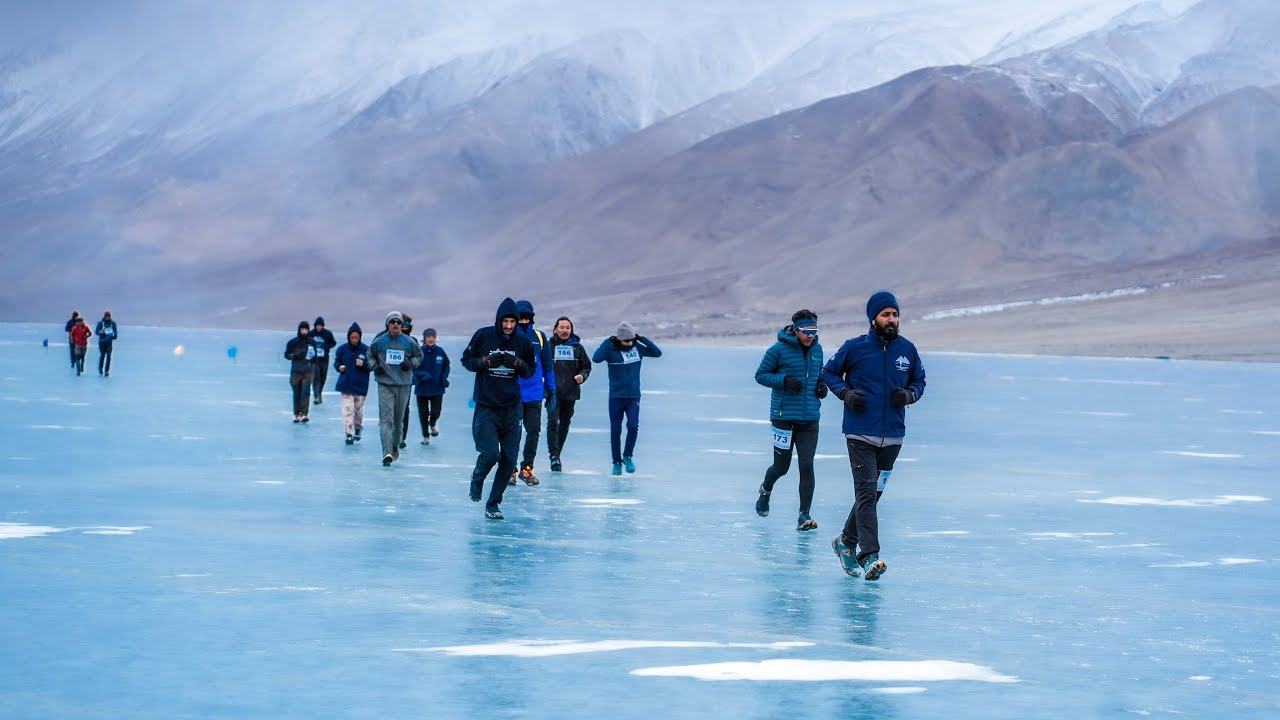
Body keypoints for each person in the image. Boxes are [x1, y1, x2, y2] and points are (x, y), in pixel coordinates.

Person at [821, 291, 926, 582]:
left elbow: (919, 381)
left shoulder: (907, 350)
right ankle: (869, 556)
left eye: (895, 314)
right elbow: (829, 373)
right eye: (885, 314)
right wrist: (845, 393)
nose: (891, 319)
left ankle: (845, 541)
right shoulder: (855, 348)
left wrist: (909, 395)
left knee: (873, 494)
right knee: (866, 492)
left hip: (893, 435)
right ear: (873, 319)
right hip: (860, 433)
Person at [460, 298, 537, 520]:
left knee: (509, 459)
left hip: (512, 409)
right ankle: (477, 478)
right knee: (491, 454)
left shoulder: (523, 341)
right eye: (505, 321)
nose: (509, 326)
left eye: (513, 322)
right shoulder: (483, 335)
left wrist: (518, 364)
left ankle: (493, 504)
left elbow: (530, 370)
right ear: (498, 320)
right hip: (487, 407)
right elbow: (467, 360)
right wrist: (485, 362)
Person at [754, 309, 826, 531]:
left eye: (814, 330)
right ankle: (765, 490)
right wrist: (783, 380)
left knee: (806, 464)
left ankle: (804, 515)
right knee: (781, 467)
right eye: (806, 331)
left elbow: (819, 375)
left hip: (810, 419)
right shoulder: (778, 350)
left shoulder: (818, 350)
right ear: (796, 330)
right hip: (783, 419)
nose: (811, 335)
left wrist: (822, 386)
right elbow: (760, 375)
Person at [592, 321, 662, 475]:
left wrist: (641, 338)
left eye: (631, 340)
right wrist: (607, 341)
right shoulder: (610, 350)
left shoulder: (638, 348)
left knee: (633, 426)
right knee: (616, 430)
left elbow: (657, 353)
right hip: (616, 397)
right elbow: (596, 358)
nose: (629, 344)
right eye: (626, 341)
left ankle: (627, 456)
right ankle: (616, 462)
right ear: (619, 340)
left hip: (633, 396)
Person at [367, 311, 423, 466]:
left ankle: (394, 446)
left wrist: (411, 363)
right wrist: (375, 366)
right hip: (385, 384)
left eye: (399, 322)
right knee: (386, 420)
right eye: (393, 322)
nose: (396, 325)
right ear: (388, 324)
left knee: (398, 421)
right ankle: (386, 452)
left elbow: (419, 356)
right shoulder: (380, 341)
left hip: (403, 385)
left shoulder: (409, 342)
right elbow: (369, 354)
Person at [511, 300, 555, 485]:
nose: (523, 321)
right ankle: (510, 470)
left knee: (533, 431)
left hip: (534, 394)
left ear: (531, 318)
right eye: (520, 318)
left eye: (526, 317)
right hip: (512, 394)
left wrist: (552, 390)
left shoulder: (539, 337)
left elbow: (548, 366)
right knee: (512, 433)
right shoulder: (508, 337)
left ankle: (526, 470)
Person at [547, 315, 592, 472]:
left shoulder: (577, 348)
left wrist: (582, 376)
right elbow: (541, 366)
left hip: (570, 392)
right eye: (562, 327)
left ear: (571, 330)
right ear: (555, 329)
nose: (564, 330)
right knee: (553, 422)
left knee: (565, 424)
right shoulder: (548, 347)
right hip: (553, 392)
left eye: (567, 328)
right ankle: (554, 455)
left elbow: (586, 366)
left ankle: (557, 453)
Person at [333, 322, 371, 445]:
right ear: (349, 337)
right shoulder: (342, 349)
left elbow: (372, 366)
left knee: (358, 411)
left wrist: (363, 364)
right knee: (347, 410)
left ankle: (358, 428)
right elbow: (337, 362)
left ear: (360, 337)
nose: (354, 340)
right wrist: (339, 367)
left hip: (360, 385)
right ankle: (348, 434)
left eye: (356, 337)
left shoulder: (366, 350)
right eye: (352, 337)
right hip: (346, 384)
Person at [413, 327, 450, 445]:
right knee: (423, 413)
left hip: (437, 388)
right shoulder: (419, 352)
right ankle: (425, 436)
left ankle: (433, 423)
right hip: (422, 388)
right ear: (424, 339)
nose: (431, 339)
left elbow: (446, 365)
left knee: (436, 412)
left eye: (433, 337)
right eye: (428, 337)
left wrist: (444, 378)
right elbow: (414, 368)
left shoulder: (440, 351)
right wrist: (423, 375)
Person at [284, 321, 316, 423]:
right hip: (296, 371)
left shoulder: (311, 341)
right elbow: (286, 355)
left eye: (306, 329)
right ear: (299, 330)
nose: (304, 331)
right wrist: (294, 355)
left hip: (308, 370)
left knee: (305, 392)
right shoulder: (293, 342)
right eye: (302, 329)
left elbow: (315, 355)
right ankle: (296, 414)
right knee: (297, 392)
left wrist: (314, 359)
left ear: (308, 330)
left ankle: (304, 414)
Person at [310, 317, 338, 404]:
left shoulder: (327, 333)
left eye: (320, 325)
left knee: (323, 377)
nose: (319, 327)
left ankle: (319, 393)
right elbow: (306, 343)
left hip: (324, 359)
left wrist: (326, 346)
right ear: (315, 326)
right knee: (316, 377)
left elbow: (333, 343)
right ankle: (316, 396)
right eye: (317, 325)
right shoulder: (311, 333)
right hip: (314, 359)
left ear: (323, 326)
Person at [94, 311, 119, 376]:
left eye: (108, 317)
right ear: (104, 317)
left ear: (110, 317)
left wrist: (115, 336)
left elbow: (115, 331)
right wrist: (101, 332)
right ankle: (100, 368)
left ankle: (106, 371)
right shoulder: (100, 323)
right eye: (106, 317)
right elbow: (96, 332)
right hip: (102, 342)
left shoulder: (113, 323)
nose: (107, 318)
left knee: (108, 357)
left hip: (109, 342)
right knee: (102, 355)